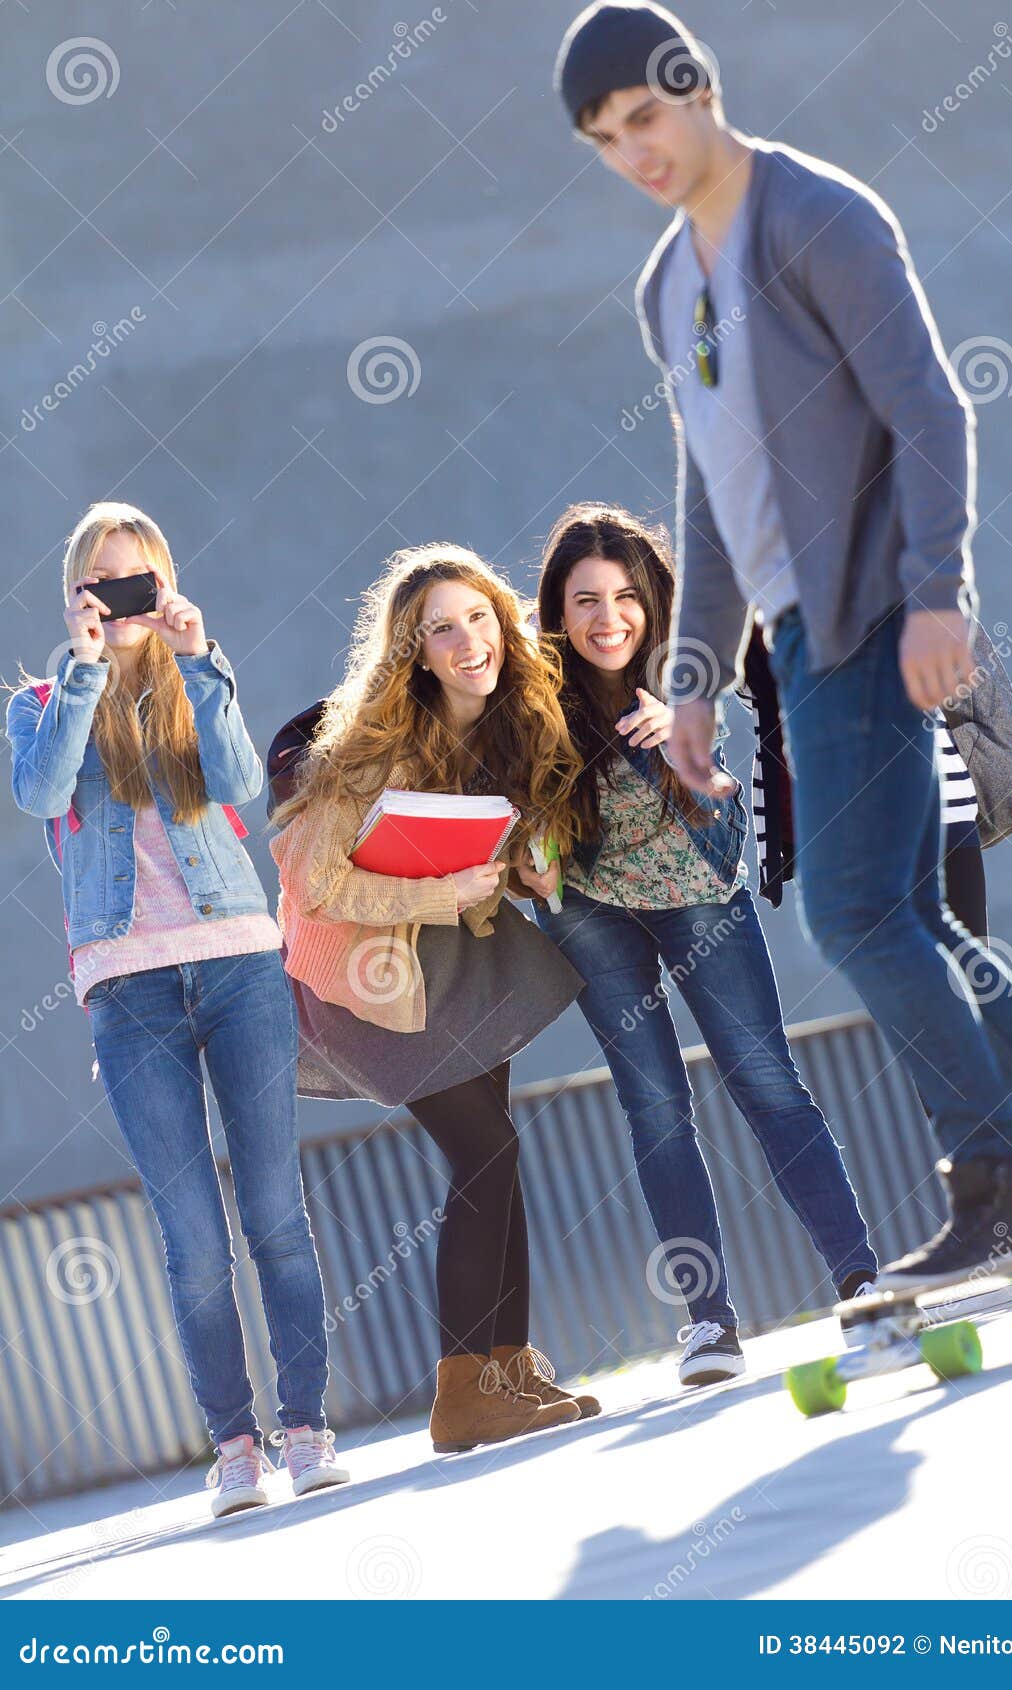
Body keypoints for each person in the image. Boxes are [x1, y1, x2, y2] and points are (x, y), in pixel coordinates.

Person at [552, 1, 1012, 1284]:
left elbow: (929, 406)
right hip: (794, 638)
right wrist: (691, 678)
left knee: (850, 913)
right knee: (902, 916)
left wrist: (937, 589)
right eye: (606, 139)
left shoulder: (814, 215)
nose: (636, 153)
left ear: (698, 87)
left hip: (876, 610)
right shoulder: (669, 288)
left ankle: (1001, 1178)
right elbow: (708, 502)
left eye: (647, 117)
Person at [5, 502, 348, 1518]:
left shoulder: (198, 680)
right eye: (104, 585)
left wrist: (199, 664)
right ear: (78, 595)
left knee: (274, 1215)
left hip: (238, 962)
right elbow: (40, 791)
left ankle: (306, 1428)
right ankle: (234, 1445)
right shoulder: (39, 699)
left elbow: (243, 779)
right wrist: (84, 669)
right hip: (128, 984)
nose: (125, 604)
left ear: (166, 586)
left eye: (139, 583)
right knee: (191, 1233)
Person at [515, 501, 876, 1383]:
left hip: (697, 894)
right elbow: (524, 824)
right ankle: (707, 1323)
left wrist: (669, 751)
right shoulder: (529, 702)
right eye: (586, 600)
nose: (609, 619)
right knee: (652, 1105)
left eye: (626, 596)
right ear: (557, 611)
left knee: (766, 1081)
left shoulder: (691, 679)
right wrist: (532, 858)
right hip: (585, 907)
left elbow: (724, 835)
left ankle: (862, 1285)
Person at [267, 542, 600, 1451]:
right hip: (369, 981)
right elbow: (312, 879)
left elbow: (505, 864)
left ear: (502, 623)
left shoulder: (510, 726)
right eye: (440, 629)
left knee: (500, 1156)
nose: (466, 642)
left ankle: (507, 1368)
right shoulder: (366, 742)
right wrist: (428, 896)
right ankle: (459, 1396)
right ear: (412, 650)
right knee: (484, 1153)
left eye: (478, 619)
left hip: (455, 961)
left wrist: (533, 874)